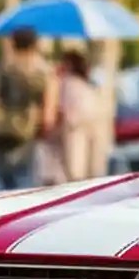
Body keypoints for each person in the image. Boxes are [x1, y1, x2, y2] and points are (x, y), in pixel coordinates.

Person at [0, 27, 55, 192]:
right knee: (22, 208)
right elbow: (48, 120)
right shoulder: (44, 75)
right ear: (36, 45)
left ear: (12, 44)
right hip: (25, 149)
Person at [46, 49, 102, 184]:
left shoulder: (67, 83)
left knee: (73, 170)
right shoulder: (87, 85)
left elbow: (61, 110)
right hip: (89, 128)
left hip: (73, 129)